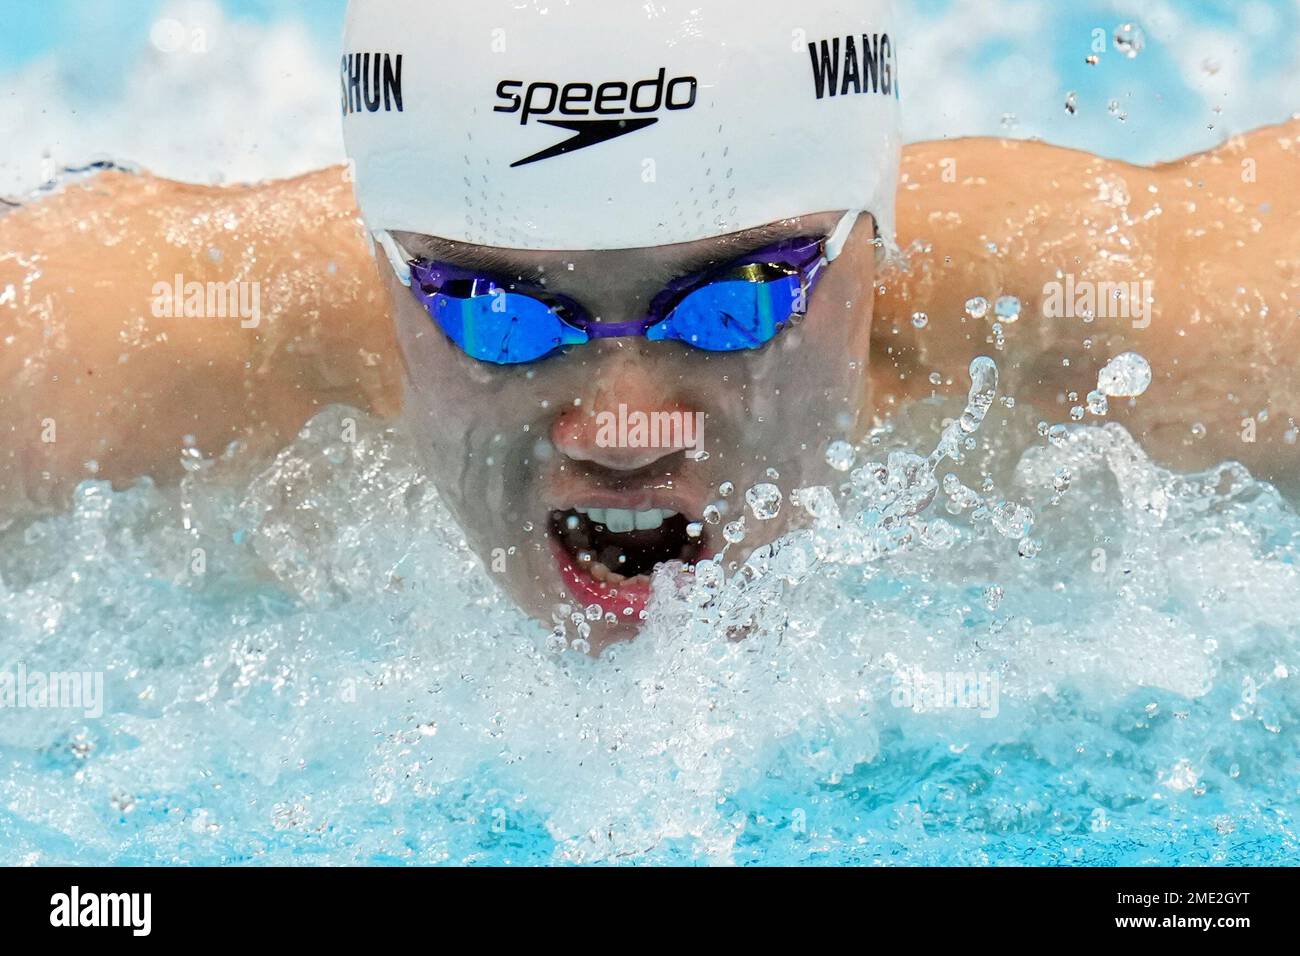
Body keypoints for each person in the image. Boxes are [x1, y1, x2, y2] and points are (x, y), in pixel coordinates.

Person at [1, 0, 1296, 649]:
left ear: (871, 259)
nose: (622, 427)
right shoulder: (105, 362)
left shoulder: (1166, 323)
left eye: (733, 308)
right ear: (383, 280)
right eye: (502, 318)